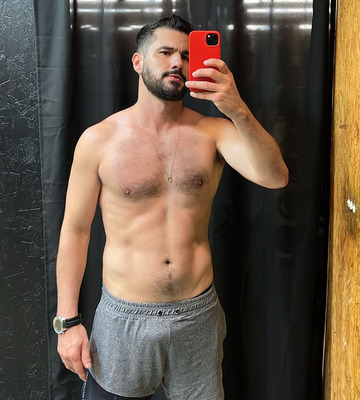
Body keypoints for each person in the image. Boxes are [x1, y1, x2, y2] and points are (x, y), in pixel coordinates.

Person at [54, 14, 288, 400]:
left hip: (197, 316)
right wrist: (67, 322)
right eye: (165, 52)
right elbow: (75, 231)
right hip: (124, 320)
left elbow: (275, 176)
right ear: (138, 61)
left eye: (186, 55)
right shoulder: (99, 140)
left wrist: (236, 108)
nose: (177, 62)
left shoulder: (214, 132)